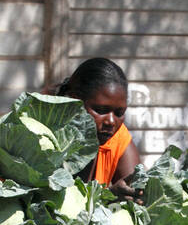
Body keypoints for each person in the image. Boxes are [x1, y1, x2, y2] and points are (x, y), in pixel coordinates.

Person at [56, 58, 141, 198]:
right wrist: (107, 197)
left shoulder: (117, 138)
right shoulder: (43, 137)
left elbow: (136, 191)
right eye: (101, 110)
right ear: (74, 101)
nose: (111, 122)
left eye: (119, 113)